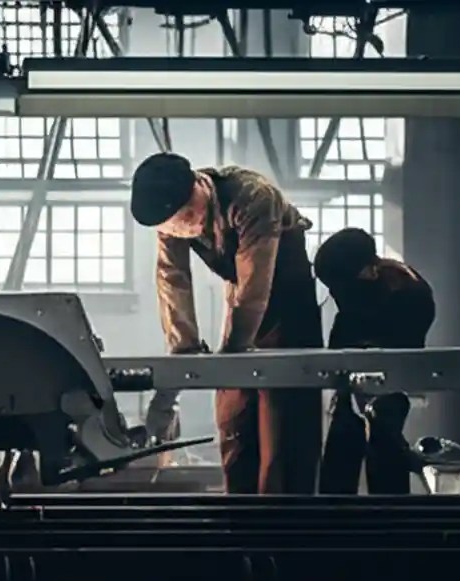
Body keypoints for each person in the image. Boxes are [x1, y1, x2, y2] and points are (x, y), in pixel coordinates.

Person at [130, 152, 324, 495]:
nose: (187, 225)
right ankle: (239, 522)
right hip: (240, 298)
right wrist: (184, 348)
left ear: (198, 186)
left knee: (282, 425)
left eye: (189, 213)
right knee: (233, 418)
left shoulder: (252, 196)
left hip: (287, 303)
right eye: (175, 224)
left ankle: (284, 529)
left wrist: (235, 354)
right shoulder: (170, 223)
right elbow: (172, 279)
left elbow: (255, 287)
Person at [315, 227, 436, 495]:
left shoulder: (412, 294)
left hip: (393, 365)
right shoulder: (350, 282)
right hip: (352, 358)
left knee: (385, 436)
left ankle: (390, 518)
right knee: (343, 437)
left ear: (370, 268)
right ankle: (332, 517)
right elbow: (345, 326)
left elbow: (407, 350)